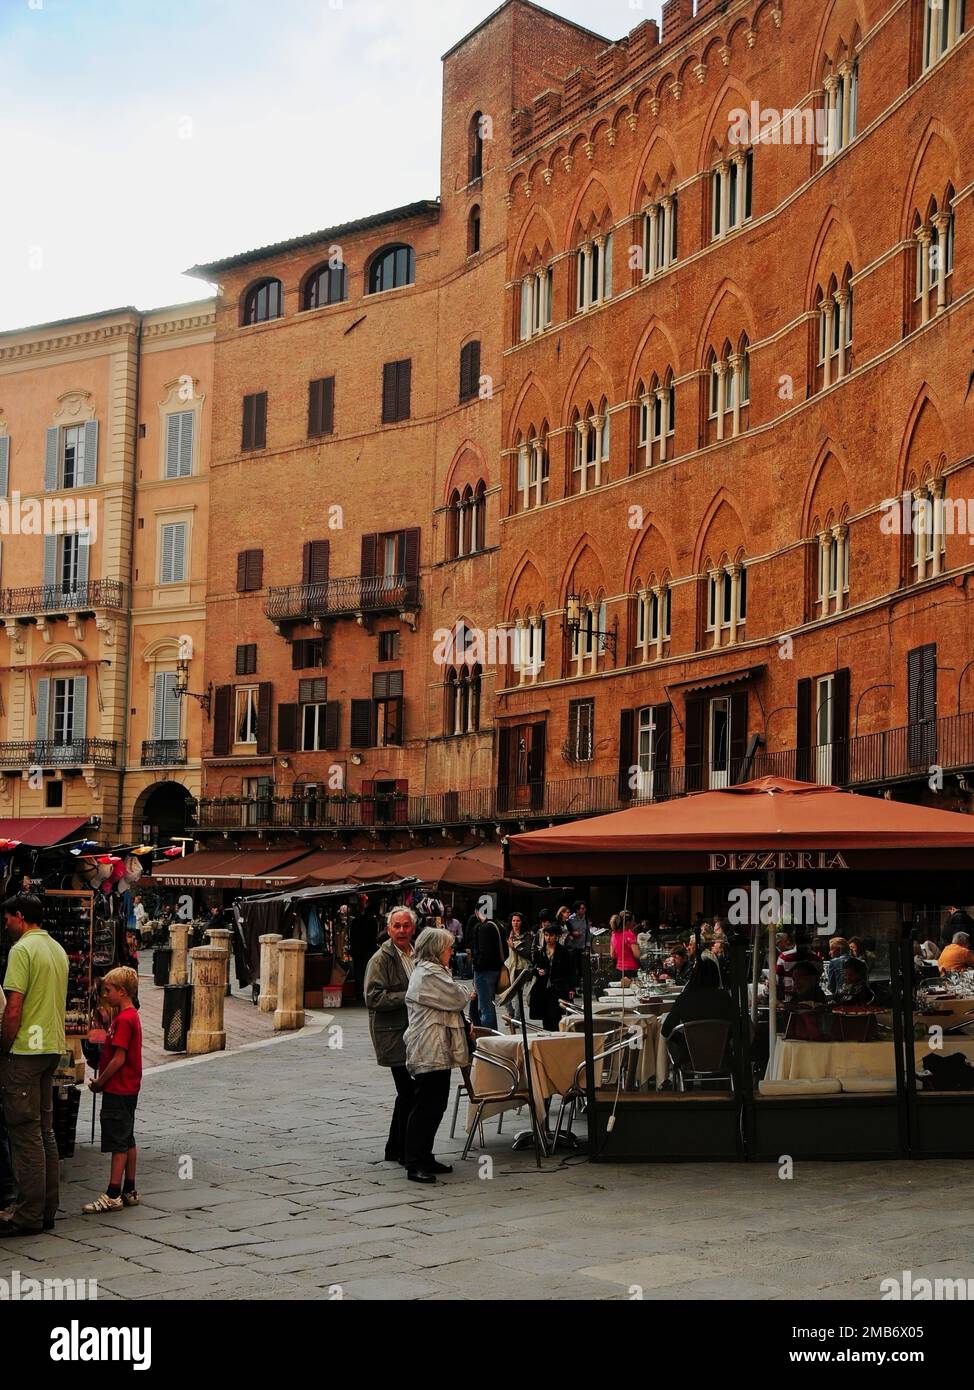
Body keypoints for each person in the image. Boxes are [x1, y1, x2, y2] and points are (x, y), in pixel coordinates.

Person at [0, 893, 68, 1236]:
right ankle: (46, 1210)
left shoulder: (22, 950)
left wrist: (4, 1044)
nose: (6, 925)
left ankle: (26, 1215)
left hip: (26, 1050)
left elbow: (14, 1008)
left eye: (8, 918)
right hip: (51, 1045)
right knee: (44, 1132)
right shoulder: (56, 949)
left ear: (20, 916)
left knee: (25, 1135)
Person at [402, 927, 473, 1184]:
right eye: (447, 948)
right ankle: (415, 1162)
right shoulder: (427, 975)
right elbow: (456, 997)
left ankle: (425, 1155)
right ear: (435, 950)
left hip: (437, 1048)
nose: (450, 952)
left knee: (436, 1105)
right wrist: (465, 993)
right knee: (425, 1106)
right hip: (428, 1048)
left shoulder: (435, 972)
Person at [82, 967, 143, 1214]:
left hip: (118, 1087)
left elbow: (118, 1059)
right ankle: (130, 1188)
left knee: (118, 1140)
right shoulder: (131, 1016)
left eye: (108, 990)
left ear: (122, 991)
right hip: (129, 1087)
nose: (105, 995)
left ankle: (113, 1192)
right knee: (127, 1137)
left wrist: (101, 1082)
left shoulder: (124, 1020)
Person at [364, 907, 417, 1166]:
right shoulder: (380, 959)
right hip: (392, 1035)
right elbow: (373, 998)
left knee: (408, 1093)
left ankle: (394, 1148)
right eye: (396, 926)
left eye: (406, 926)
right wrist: (407, 996)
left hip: (413, 1034)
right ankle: (405, 1151)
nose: (401, 931)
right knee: (408, 1091)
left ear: (413, 928)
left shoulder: (416, 954)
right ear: (388, 930)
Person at [660, 956, 734, 1075]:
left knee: (672, 1043)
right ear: (716, 976)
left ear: (693, 976)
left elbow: (666, 1030)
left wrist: (685, 1040)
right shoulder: (725, 998)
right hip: (721, 1054)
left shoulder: (684, 999)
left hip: (689, 1055)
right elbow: (739, 1027)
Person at [529, 922, 574, 1031]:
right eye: (546, 935)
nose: (548, 938)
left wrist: (571, 988)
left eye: (551, 935)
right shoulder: (540, 951)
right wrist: (537, 970)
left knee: (555, 1015)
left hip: (558, 987)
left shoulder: (563, 951)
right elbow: (532, 967)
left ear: (556, 937)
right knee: (545, 1017)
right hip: (543, 988)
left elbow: (570, 971)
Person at [468, 909, 507, 1031]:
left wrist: (477, 967)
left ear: (477, 912)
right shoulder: (498, 925)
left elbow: (483, 953)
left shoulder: (484, 927)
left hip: (484, 972)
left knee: (485, 1009)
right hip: (495, 969)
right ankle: (486, 1033)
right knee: (487, 1005)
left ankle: (487, 1037)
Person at [348, 903, 378, 1006]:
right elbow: (374, 936)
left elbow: (352, 936)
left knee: (359, 972)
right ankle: (366, 992)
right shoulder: (372, 922)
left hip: (358, 950)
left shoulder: (356, 921)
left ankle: (359, 993)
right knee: (367, 971)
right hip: (368, 950)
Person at [564, 901, 590, 984]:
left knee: (581, 968)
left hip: (582, 947)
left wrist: (588, 945)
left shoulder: (585, 918)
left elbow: (587, 932)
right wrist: (572, 933)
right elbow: (566, 931)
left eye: (584, 908)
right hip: (572, 947)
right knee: (573, 968)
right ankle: (573, 987)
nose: (584, 910)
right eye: (582, 908)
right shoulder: (571, 919)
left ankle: (579, 985)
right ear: (577, 910)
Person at [609, 912, 640, 980]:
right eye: (633, 921)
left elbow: (612, 955)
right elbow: (637, 954)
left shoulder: (614, 934)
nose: (634, 923)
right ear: (628, 922)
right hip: (631, 971)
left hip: (618, 971)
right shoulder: (630, 934)